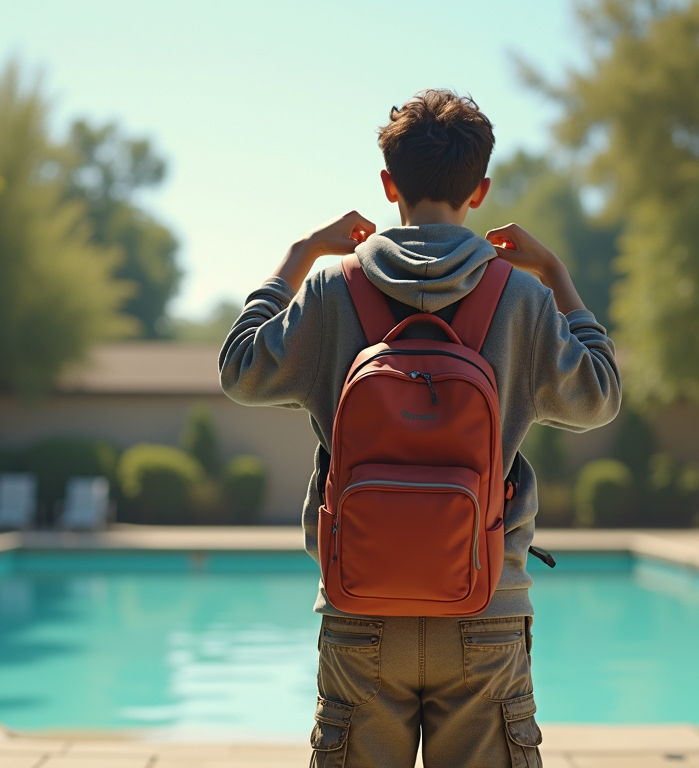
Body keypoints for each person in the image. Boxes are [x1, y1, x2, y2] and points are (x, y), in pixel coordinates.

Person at [219, 89, 621, 768]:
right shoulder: (520, 296)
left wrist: (299, 255)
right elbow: (599, 396)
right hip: (485, 607)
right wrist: (556, 274)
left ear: (387, 184)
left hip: (359, 609)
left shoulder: (331, 289)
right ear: (481, 190)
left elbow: (239, 369)